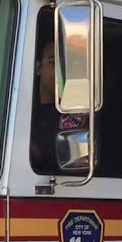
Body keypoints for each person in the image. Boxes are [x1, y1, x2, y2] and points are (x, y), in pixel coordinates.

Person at [30, 35, 90, 173]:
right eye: (52, 63)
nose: (60, 72)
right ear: (38, 68)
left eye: (66, 65)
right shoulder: (22, 111)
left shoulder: (79, 115)